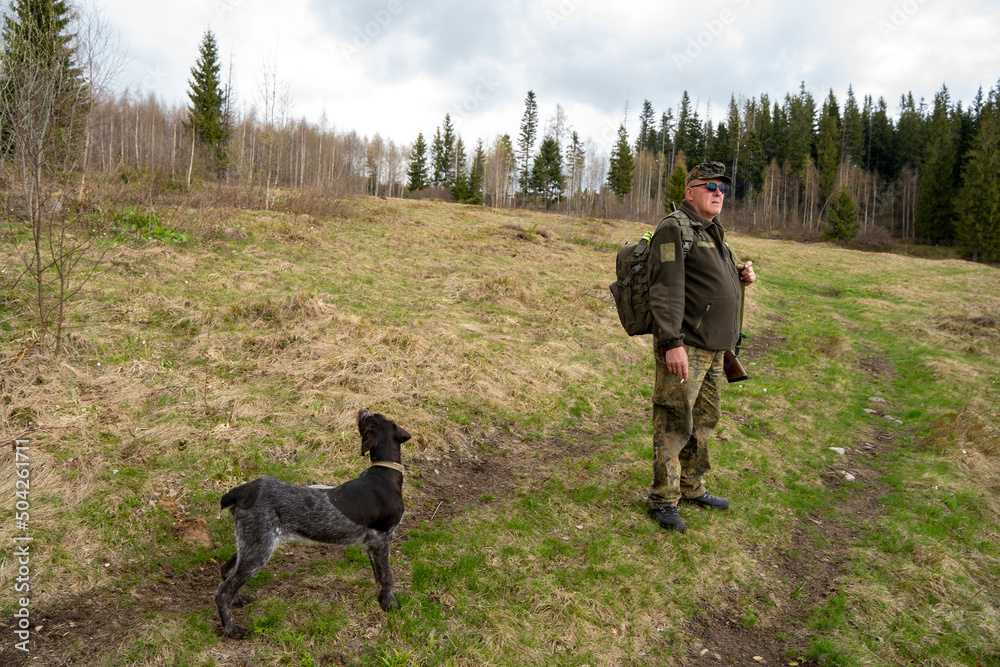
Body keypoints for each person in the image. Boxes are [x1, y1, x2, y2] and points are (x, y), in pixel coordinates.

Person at [645, 161, 756, 533]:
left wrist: (740, 278)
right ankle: (664, 499)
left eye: (722, 188)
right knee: (675, 421)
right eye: (710, 186)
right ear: (690, 191)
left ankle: (692, 487)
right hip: (686, 346)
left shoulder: (711, 231)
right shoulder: (674, 229)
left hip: (714, 349)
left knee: (704, 422)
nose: (718, 193)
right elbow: (665, 289)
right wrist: (671, 343)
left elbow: (707, 282)